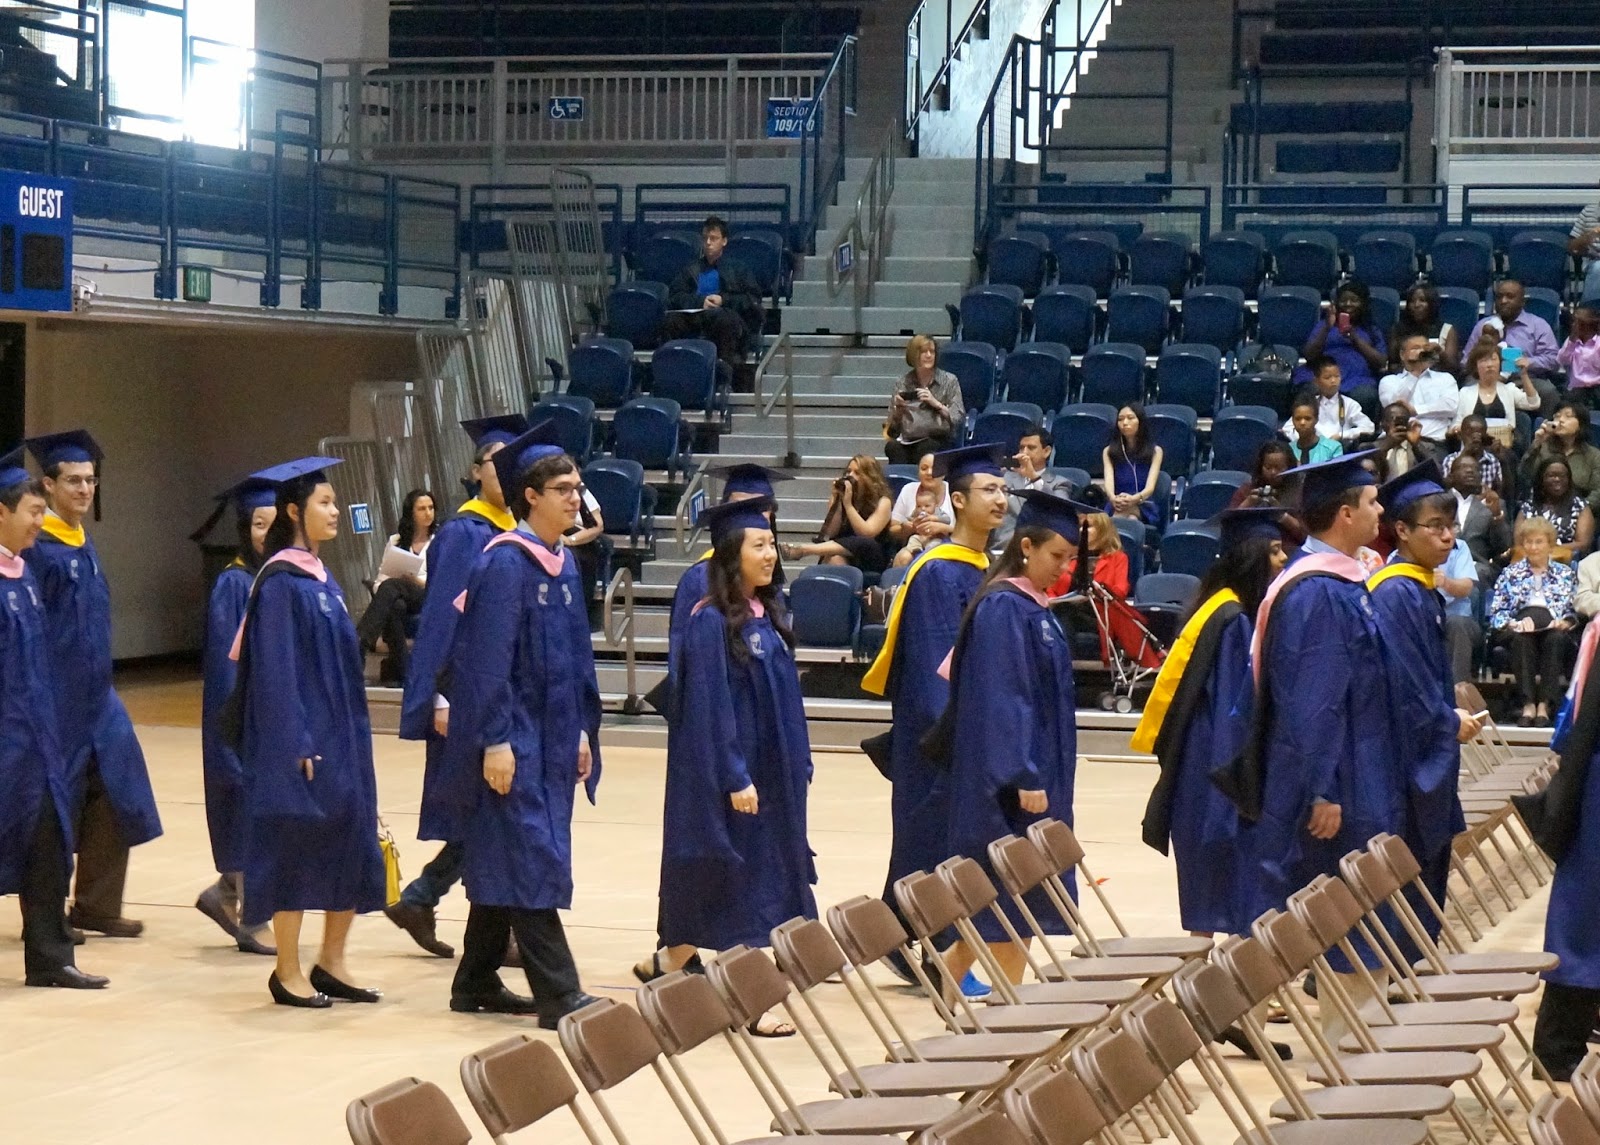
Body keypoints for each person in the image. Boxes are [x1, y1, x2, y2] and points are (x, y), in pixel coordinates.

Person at [435, 424, 603, 1025]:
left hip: (556, 738)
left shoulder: (563, 564)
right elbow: (486, 664)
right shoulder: (506, 564)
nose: (574, 500)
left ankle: (475, 980)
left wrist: (583, 730)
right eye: (562, 489)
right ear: (529, 496)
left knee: (511, 853)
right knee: (532, 856)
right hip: (516, 739)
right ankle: (560, 994)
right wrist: (496, 740)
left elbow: (578, 658)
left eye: (577, 489)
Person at [1223, 452, 1397, 1033]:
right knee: (1342, 908)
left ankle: (1350, 1050)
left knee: (1349, 909)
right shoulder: (1319, 592)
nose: (1381, 511)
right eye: (1373, 502)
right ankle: (1347, 1056)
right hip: (1337, 779)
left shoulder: (1331, 582)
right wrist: (1322, 788)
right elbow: (1314, 701)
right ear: (1345, 514)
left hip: (1351, 769)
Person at [634, 497, 815, 1036]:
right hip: (739, 778)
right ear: (731, 556)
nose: (771, 553)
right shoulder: (709, 623)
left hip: (774, 774)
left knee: (732, 883)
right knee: (746, 887)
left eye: (772, 543)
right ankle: (751, 1004)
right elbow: (709, 709)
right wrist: (735, 775)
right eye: (758, 545)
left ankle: (668, 965)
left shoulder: (769, 616)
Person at [227, 456, 388, 1008]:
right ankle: (286, 970)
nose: (336, 509)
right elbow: (275, 671)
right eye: (325, 501)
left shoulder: (324, 580)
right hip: (304, 742)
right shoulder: (279, 584)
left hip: (342, 735)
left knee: (349, 839)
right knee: (295, 847)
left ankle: (332, 962)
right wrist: (294, 741)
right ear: (294, 511)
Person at [860, 443, 1008, 968]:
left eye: (1004, 489)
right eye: (989, 489)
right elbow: (931, 669)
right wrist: (955, 737)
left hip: (969, 735)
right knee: (928, 838)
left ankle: (914, 940)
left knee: (941, 841)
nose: (1001, 498)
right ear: (958, 500)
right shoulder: (938, 572)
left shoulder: (986, 567)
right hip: (937, 739)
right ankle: (919, 942)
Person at [385, 414, 523, 959]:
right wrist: (439, 694)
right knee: (492, 807)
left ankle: (423, 898)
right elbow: (445, 617)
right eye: (495, 461)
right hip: (466, 691)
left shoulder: (516, 530)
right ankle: (485, 925)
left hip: (500, 693)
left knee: (490, 809)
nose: (504, 471)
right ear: (474, 471)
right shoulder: (466, 532)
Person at [934, 490, 1083, 988]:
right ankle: (1008, 1027)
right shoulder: (1003, 608)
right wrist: (1022, 772)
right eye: (1056, 556)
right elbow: (1005, 698)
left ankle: (951, 992)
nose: (1063, 568)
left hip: (1039, 773)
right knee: (1012, 909)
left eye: (1070, 558)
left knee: (1013, 912)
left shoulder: (1032, 607)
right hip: (1013, 784)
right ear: (1025, 546)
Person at [23, 429, 161, 939]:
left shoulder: (84, 542)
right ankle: (47, 913)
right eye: (73, 480)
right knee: (56, 808)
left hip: (100, 699)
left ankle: (97, 904)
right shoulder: (40, 549)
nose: (84, 489)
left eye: (90, 480)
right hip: (56, 702)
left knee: (118, 794)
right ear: (49, 484)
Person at [1137, 507, 1290, 936]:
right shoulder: (1233, 621)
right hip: (1216, 774)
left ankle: (1210, 986)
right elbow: (1232, 718)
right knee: (1235, 885)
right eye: (1274, 551)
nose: (1282, 560)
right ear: (1252, 558)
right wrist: (1237, 793)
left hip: (1199, 772)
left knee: (1207, 895)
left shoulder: (1215, 608)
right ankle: (1223, 991)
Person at [0, 447, 104, 989]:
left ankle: (50, 958)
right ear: (1, 513)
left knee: (46, 848)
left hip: (36, 741)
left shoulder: (20, 578)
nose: (42, 522)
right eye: (32, 512)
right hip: (5, 744)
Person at [1367, 462, 1479, 943]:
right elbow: (1404, 685)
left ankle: (1412, 965)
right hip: (1404, 760)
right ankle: (1395, 970)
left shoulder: (1419, 588)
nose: (1448, 537)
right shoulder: (1396, 593)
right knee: (1403, 866)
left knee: (1427, 861)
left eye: (1451, 526)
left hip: (1426, 752)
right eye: (1436, 527)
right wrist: (1446, 721)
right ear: (1402, 531)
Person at [193, 475, 278, 956]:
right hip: (242, 716)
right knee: (249, 814)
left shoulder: (277, 577)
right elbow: (227, 666)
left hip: (272, 714)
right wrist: (232, 730)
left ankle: (225, 894)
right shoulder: (234, 583)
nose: (265, 532)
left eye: (272, 523)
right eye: (257, 524)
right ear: (245, 529)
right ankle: (253, 916)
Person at [1487, 516, 1577, 727]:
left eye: (1539, 542)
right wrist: (1513, 624)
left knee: (1555, 639)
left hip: (1553, 627)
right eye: (1528, 542)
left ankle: (1545, 705)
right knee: (1522, 640)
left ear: (1550, 545)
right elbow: (1497, 612)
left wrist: (1566, 621)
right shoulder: (1510, 573)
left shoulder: (1565, 573)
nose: (1533, 547)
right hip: (1517, 627)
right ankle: (1527, 704)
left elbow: (1573, 610)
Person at [661, 215, 764, 373]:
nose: (708, 243)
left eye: (713, 238)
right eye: (705, 238)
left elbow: (752, 298)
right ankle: (675, 369)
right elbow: (676, 296)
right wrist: (700, 302)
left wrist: (724, 300)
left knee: (724, 320)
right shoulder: (691, 269)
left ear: (724, 241)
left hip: (726, 315)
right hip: (697, 316)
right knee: (670, 321)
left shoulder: (738, 269)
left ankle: (724, 371)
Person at [356, 488, 436, 686]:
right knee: (395, 605)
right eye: (421, 509)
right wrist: (387, 585)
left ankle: (360, 642)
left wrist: (414, 580)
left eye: (431, 508)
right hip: (399, 595)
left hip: (427, 595)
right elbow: (381, 578)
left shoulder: (440, 540)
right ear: (411, 513)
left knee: (393, 587)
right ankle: (405, 672)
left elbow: (443, 580)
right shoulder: (396, 541)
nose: (428, 513)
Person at [782, 455, 895, 574]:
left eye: (857, 473)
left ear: (870, 477)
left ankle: (806, 550)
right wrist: (837, 501)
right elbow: (832, 531)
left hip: (870, 557)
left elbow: (867, 533)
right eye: (848, 471)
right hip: (843, 554)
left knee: (864, 542)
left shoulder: (883, 501)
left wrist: (848, 506)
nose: (851, 476)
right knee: (835, 559)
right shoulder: (843, 498)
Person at [1465, 280, 1560, 415]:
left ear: (1522, 302)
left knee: (1548, 392)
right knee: (1469, 387)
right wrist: (1480, 355)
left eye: (1510, 296)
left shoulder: (1538, 325)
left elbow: (1553, 360)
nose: (1503, 301)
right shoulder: (1483, 326)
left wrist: (1529, 362)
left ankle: (1545, 432)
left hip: (1524, 379)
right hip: (1485, 378)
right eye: (1499, 297)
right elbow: (1465, 360)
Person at [1297, 280, 1389, 417]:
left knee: (1366, 395)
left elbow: (1380, 362)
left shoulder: (1371, 329)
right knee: (1310, 390)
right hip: (1323, 375)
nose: (1348, 304)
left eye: (1354, 300)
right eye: (1343, 300)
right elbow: (1309, 355)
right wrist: (1327, 327)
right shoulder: (1324, 325)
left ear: (1363, 304)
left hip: (1358, 379)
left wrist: (1355, 338)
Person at [1377, 334, 1467, 454]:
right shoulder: (1389, 381)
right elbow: (1394, 407)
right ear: (1402, 355)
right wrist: (1415, 372)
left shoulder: (1445, 378)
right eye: (1415, 348)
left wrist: (1416, 410)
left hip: (1432, 443)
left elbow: (1450, 407)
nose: (1420, 351)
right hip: (1395, 441)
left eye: (1425, 348)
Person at [885, 334, 964, 464]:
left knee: (926, 448)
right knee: (892, 447)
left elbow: (958, 417)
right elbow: (892, 430)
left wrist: (936, 404)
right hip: (909, 438)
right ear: (913, 355)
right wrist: (899, 410)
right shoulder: (902, 382)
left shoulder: (949, 380)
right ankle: (903, 482)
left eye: (932, 351)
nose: (929, 355)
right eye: (923, 352)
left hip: (938, 437)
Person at [995, 426, 1073, 550]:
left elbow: (1060, 511)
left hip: (1041, 549)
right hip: (1004, 547)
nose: (1024, 452)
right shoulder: (1004, 479)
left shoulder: (1060, 483)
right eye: (1021, 448)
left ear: (1046, 451)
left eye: (1031, 448)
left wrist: (1033, 477)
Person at [1520, 399, 1600, 517]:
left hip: (1580, 513)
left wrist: (1580, 510)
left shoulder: (1593, 455)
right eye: (1557, 417)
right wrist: (1536, 444)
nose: (1561, 420)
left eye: (1568, 416)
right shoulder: (1543, 448)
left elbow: (1598, 492)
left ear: (1580, 424)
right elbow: (1524, 475)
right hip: (1544, 508)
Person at [1454, 338, 1539, 445]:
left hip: (1503, 447)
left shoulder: (1509, 390)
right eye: (1484, 360)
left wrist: (1524, 375)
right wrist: (1456, 430)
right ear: (1475, 366)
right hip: (1474, 447)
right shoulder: (1465, 393)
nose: (1489, 364)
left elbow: (1534, 403)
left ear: (1500, 364)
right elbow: (1457, 424)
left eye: (1493, 359)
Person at [1445, 451, 1510, 586]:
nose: (1470, 471)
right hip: (1442, 563)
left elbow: (1503, 547)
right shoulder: (1438, 502)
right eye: (1463, 467)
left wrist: (1497, 516)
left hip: (1477, 567)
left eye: (1475, 469)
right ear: (1450, 476)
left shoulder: (1494, 503)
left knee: (1476, 574)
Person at [1228, 441, 1308, 544]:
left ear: (1289, 467)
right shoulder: (1246, 490)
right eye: (1268, 467)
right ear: (1260, 466)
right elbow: (1229, 528)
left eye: (1279, 468)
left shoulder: (1300, 493)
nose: (1273, 472)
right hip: (1252, 551)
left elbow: (1305, 536)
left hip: (1288, 553)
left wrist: (1282, 515)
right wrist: (1248, 503)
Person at [1288, 356, 1373, 449]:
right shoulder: (1309, 403)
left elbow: (1369, 428)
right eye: (1327, 377)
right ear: (1316, 381)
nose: (1333, 381)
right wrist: (1306, 439)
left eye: (1337, 376)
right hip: (1312, 449)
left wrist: (1342, 435)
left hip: (1340, 449)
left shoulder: (1349, 404)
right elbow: (1287, 429)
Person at [1102, 404, 1163, 528]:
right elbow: (1108, 483)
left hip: (1143, 503)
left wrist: (1134, 499)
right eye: (1120, 419)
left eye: (1130, 418)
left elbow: (1150, 488)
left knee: (1122, 515)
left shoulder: (1156, 451)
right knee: (1131, 518)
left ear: (1140, 421)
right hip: (1117, 502)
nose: (1125, 422)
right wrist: (1113, 498)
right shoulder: (1108, 451)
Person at [1519, 458, 1594, 559]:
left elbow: (1583, 544)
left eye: (1562, 476)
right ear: (1542, 479)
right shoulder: (1529, 506)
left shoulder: (1580, 506)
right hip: (1531, 559)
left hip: (1568, 560)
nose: (1557, 479)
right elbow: (1518, 542)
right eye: (1551, 476)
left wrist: (1549, 551)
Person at [1389, 283, 1461, 375]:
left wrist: (1440, 352)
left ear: (1431, 303)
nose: (1416, 305)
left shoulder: (1447, 329)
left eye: (1422, 300)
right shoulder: (1398, 329)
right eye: (1412, 301)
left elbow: (1453, 367)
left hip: (1437, 379)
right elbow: (1392, 364)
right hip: (1405, 377)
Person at [1441, 414, 1511, 502]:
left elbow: (1501, 494)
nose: (1475, 439)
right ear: (1460, 436)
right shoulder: (1450, 459)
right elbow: (1447, 487)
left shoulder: (1492, 461)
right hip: (1456, 506)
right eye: (1469, 434)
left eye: (1479, 435)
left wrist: (1502, 460)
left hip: (1485, 508)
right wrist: (1466, 451)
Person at [1559, 305, 1600, 407]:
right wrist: (1571, 341)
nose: (1574, 326)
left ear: (1590, 325)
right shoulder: (1571, 342)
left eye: (1579, 323)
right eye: (1574, 322)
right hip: (1577, 388)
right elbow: (1562, 360)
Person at [1284, 395, 1343, 466]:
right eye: (1298, 419)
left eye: (1308, 418)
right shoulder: (1287, 450)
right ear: (1292, 421)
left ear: (1316, 419)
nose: (1302, 423)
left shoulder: (1333, 448)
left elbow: (1338, 475)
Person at [1373, 403, 1425, 482]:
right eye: (1392, 419)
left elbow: (1437, 474)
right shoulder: (1368, 448)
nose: (1398, 423)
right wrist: (1386, 446)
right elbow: (1368, 475)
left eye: (1403, 419)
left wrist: (1415, 446)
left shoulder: (1424, 447)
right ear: (1382, 424)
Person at [1569, 190, 1600, 302]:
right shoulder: (1589, 211)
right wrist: (1590, 235)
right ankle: (1592, 310)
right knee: (1598, 268)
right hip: (1595, 260)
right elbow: (1573, 248)